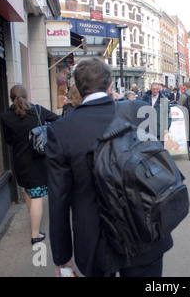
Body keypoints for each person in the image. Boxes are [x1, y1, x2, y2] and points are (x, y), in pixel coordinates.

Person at [46, 58, 173, 277]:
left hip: (95, 241)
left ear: (76, 88)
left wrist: (62, 257)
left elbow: (58, 200)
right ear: (111, 86)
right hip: (144, 231)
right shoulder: (139, 110)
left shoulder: (61, 130)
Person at [1, 84, 59, 245]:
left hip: (20, 160)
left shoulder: (6, 116)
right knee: (37, 196)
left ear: (11, 98)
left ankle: (33, 219)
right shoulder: (38, 110)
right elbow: (58, 120)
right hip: (38, 160)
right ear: (27, 96)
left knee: (28, 191)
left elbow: (8, 140)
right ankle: (35, 235)